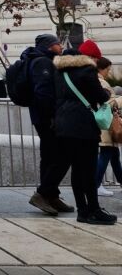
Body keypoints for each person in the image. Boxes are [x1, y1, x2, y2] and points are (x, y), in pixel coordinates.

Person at [53, 40, 116, 225]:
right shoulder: (87, 71)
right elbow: (101, 96)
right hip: (83, 127)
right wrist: (104, 92)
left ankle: (82, 211)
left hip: (63, 125)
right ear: (91, 58)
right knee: (88, 170)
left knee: (76, 170)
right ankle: (94, 210)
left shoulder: (60, 72)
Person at [23, 34, 74, 216]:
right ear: (49, 46)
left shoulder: (40, 60)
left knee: (50, 156)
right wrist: (52, 116)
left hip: (44, 117)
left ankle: (51, 195)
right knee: (63, 155)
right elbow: (43, 93)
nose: (61, 47)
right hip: (47, 119)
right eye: (57, 44)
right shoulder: (42, 63)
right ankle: (43, 193)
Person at [96, 56, 122, 196]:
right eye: (108, 69)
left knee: (114, 155)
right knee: (106, 153)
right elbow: (109, 103)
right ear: (101, 68)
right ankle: (96, 184)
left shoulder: (99, 81)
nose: (108, 72)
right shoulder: (101, 82)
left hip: (105, 124)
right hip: (105, 125)